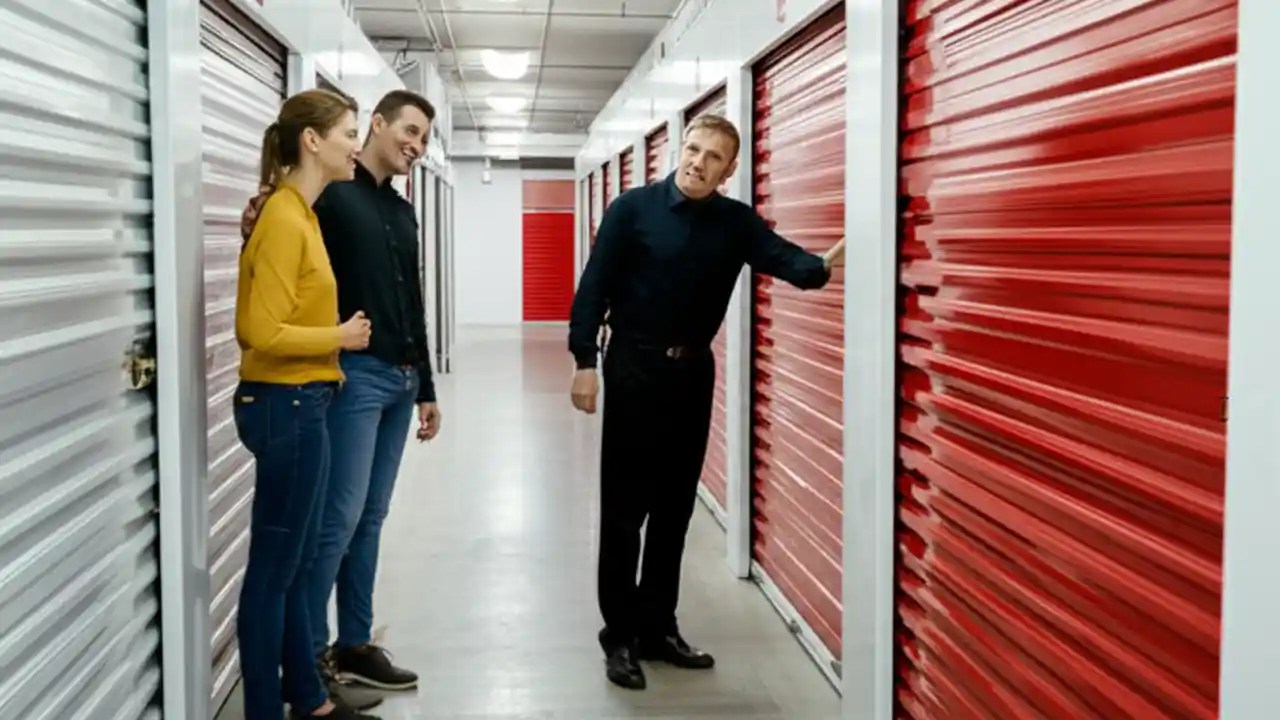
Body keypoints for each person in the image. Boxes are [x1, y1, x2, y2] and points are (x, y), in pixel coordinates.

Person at [568, 114, 846, 691]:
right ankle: (618, 635)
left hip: (692, 371)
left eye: (712, 157)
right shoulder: (632, 210)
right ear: (679, 148)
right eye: (692, 149)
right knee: (625, 511)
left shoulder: (734, 223)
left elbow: (782, 258)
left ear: (730, 168)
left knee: (674, 510)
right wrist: (585, 363)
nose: (697, 162)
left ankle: (657, 627)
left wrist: (823, 266)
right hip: (633, 366)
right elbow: (593, 287)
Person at [240, 89, 441, 701]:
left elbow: (411, 302)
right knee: (336, 521)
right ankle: (313, 655)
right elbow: (282, 267)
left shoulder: (403, 213)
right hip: (353, 379)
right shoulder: (327, 199)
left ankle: (354, 642)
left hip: (401, 379)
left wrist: (427, 384)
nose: (417, 145)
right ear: (376, 125)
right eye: (409, 130)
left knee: (370, 519)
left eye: (426, 139)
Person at [233, 88, 377, 720]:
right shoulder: (284, 218)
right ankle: (266, 707)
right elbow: (258, 331)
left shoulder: (304, 213)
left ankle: (310, 700)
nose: (355, 144)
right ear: (312, 141)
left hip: (306, 402)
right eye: (348, 132)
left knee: (289, 567)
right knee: (273, 571)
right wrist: (339, 338)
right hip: (283, 405)